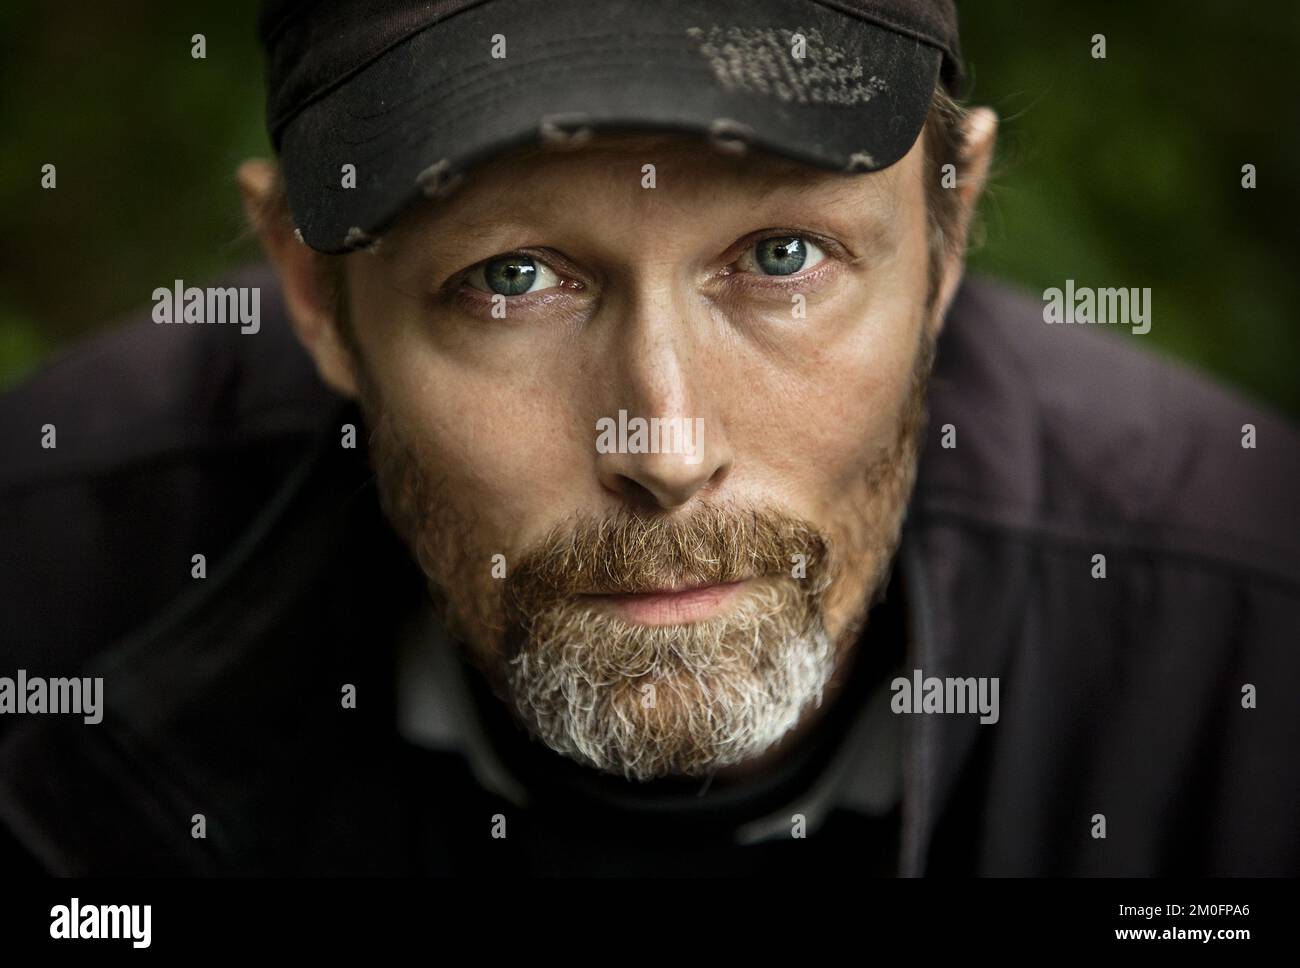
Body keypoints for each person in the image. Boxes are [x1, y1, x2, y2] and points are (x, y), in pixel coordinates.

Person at [0, 0, 1295, 876]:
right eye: (510, 279)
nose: (666, 447)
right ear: (312, 291)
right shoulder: (42, 575)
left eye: (781, 257)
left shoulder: (1248, 626)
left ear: (947, 236)